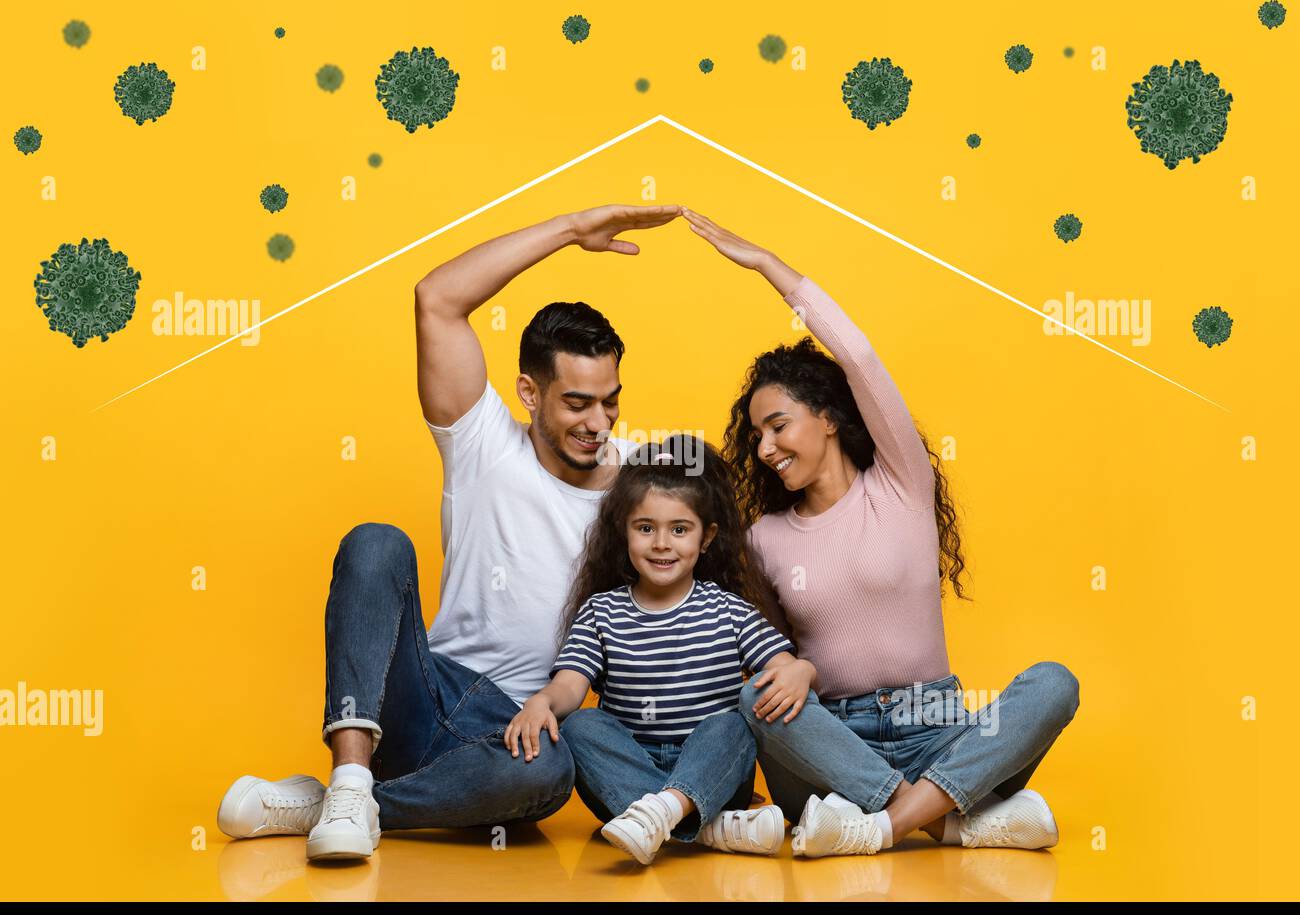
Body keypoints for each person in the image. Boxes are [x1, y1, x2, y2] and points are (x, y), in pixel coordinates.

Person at [216, 204, 684, 860]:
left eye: (611, 401)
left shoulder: (642, 480)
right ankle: (353, 772)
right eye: (576, 403)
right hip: (426, 691)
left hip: (519, 731)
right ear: (528, 391)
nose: (597, 422)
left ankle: (334, 805)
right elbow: (436, 297)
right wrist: (572, 232)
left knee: (549, 777)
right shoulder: (482, 439)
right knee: (376, 542)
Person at [680, 206, 1081, 857]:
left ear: (829, 416)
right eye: (755, 435)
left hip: (938, 725)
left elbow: (858, 354)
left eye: (777, 424)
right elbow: (767, 658)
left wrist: (768, 267)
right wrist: (798, 670)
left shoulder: (901, 481)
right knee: (756, 697)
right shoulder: (764, 538)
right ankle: (951, 818)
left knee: (1055, 683)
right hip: (834, 743)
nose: (764, 447)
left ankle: (885, 826)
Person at [504, 435, 816, 865]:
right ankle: (711, 830)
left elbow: (783, 667)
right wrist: (542, 701)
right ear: (624, 531)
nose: (662, 544)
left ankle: (666, 814)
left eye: (680, 530)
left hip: (713, 770)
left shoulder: (728, 610)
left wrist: (802, 670)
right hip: (627, 769)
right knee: (581, 726)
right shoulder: (602, 612)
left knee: (733, 726)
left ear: (706, 538)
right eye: (646, 528)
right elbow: (569, 686)